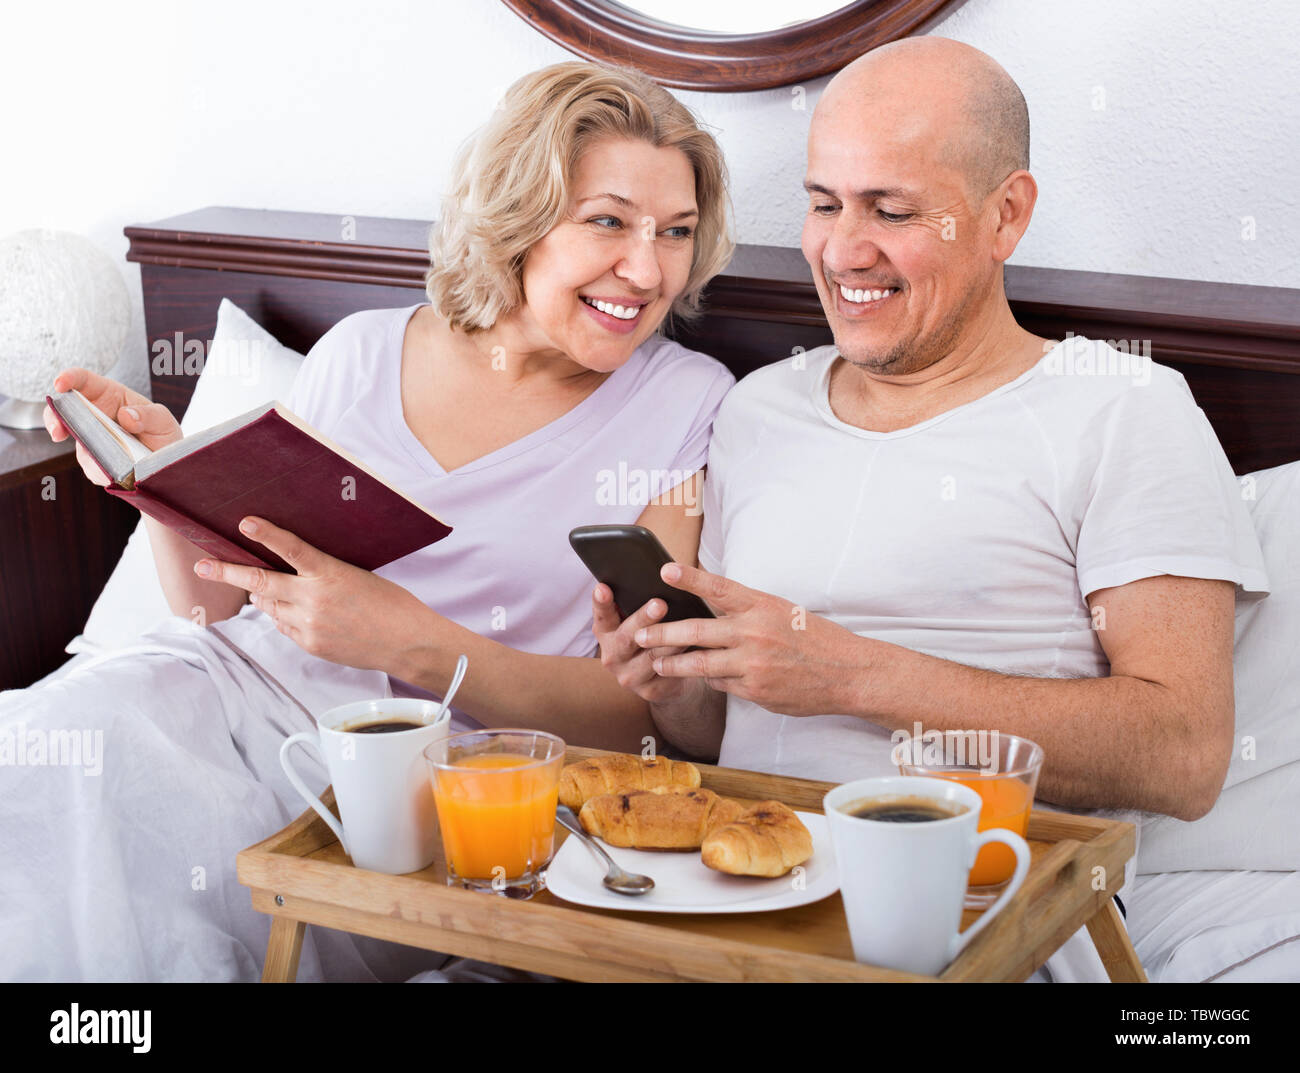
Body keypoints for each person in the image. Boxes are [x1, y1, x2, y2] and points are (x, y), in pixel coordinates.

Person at [9, 60, 735, 982]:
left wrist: (413, 642)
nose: (649, 269)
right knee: (44, 756)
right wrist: (163, 485)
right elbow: (216, 611)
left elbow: (644, 716)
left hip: (409, 784)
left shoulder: (685, 405)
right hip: (219, 697)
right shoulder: (359, 354)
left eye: (676, 231)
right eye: (608, 221)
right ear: (517, 216)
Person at [594, 37, 1286, 982]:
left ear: (1007, 215)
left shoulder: (1124, 409)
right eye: (824, 202)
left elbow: (1184, 756)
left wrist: (850, 674)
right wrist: (677, 686)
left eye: (894, 209)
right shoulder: (759, 407)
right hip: (737, 894)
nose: (843, 250)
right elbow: (732, 732)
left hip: (978, 911)